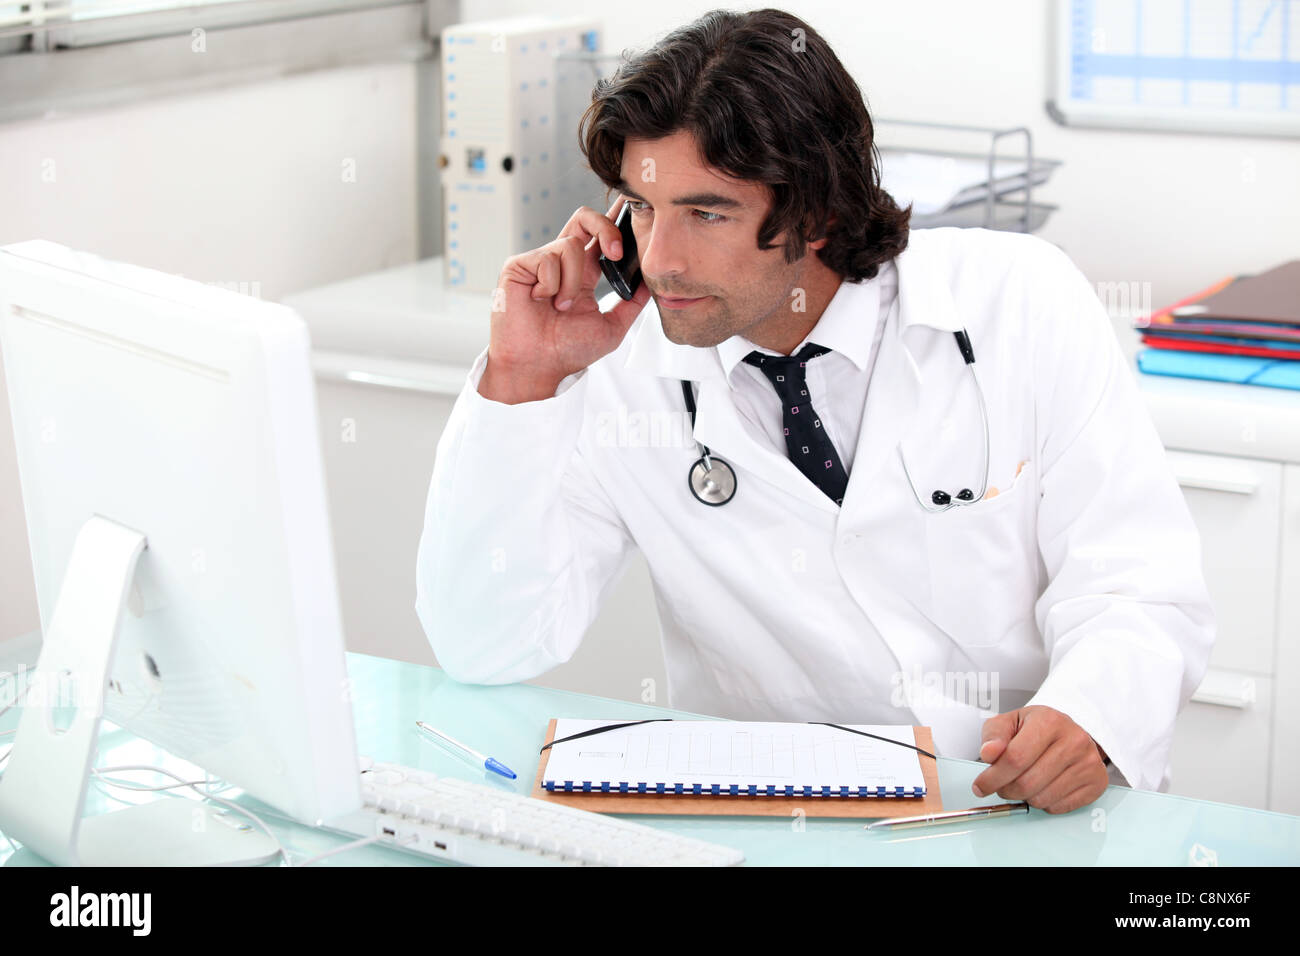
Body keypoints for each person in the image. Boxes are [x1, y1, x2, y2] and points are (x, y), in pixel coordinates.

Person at [415, 8, 1214, 814]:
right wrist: (522, 380)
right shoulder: (618, 370)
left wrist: (1091, 719)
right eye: (642, 208)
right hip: (777, 825)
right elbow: (486, 642)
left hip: (1016, 809)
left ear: (819, 210)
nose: (658, 262)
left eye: (706, 213)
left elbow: (1139, 585)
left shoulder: (1019, 301)